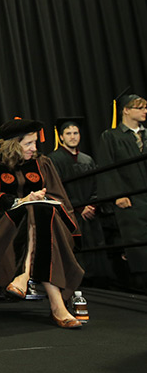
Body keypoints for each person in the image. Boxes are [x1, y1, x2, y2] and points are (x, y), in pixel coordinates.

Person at [0, 119, 84, 329]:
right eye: (28, 144)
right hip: (5, 229)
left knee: (39, 209)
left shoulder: (42, 163)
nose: (34, 149)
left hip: (46, 225)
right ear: (13, 144)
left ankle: (22, 276)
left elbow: (58, 196)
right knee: (32, 209)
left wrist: (38, 198)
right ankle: (57, 306)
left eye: (35, 143)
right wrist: (20, 202)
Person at [48, 117, 114, 286]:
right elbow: (57, 188)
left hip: (91, 212)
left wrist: (92, 205)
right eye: (68, 133)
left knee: (95, 243)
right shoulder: (53, 160)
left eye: (75, 133)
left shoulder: (87, 160)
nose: (73, 137)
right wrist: (79, 207)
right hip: (70, 212)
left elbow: (97, 184)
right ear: (61, 137)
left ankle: (99, 280)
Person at [97, 93, 147, 290]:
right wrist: (117, 194)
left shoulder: (146, 134)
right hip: (130, 198)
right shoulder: (111, 136)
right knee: (136, 241)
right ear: (126, 110)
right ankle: (140, 284)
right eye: (140, 107)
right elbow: (108, 167)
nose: (145, 111)